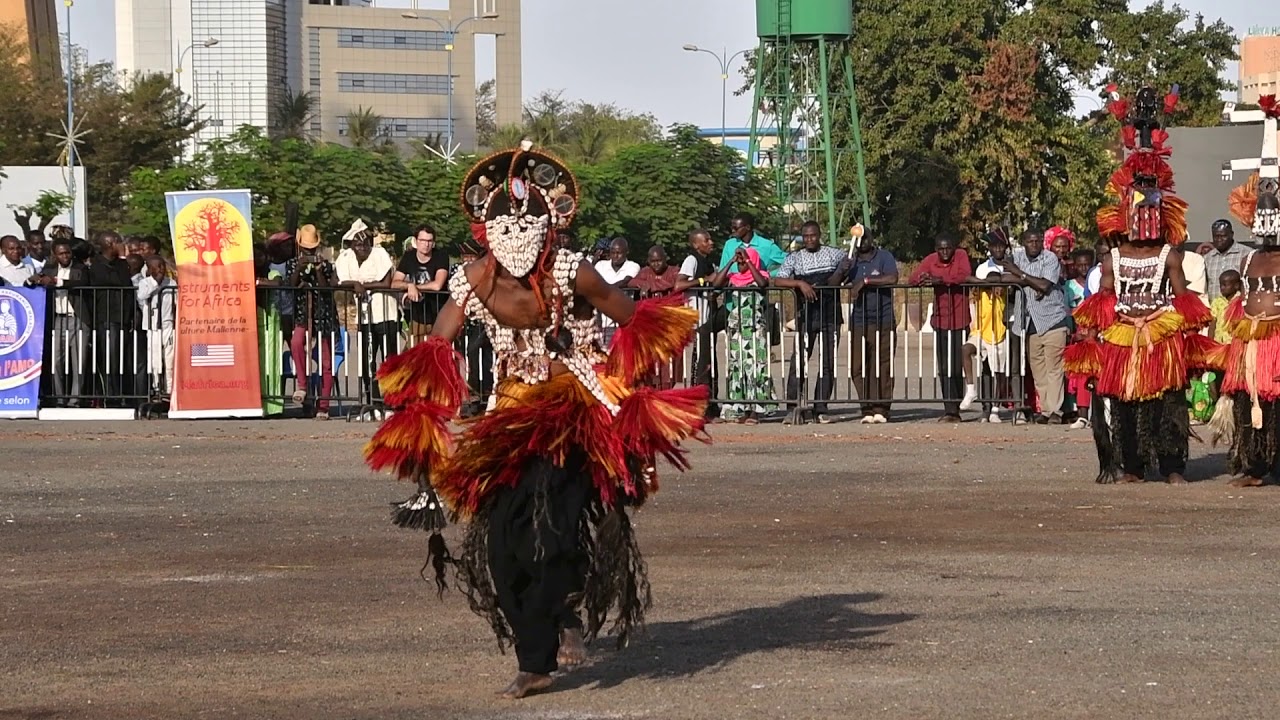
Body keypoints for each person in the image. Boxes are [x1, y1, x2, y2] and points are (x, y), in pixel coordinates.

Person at [363, 141, 706, 699]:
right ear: (485, 228)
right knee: (502, 544)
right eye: (505, 217)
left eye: (528, 217)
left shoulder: (575, 272)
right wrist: (418, 420)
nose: (517, 227)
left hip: (577, 410)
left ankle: (546, 640)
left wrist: (633, 395)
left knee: (552, 528)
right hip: (510, 414)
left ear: (550, 224)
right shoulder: (473, 281)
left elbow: (638, 323)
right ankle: (539, 644)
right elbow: (435, 347)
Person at [1065, 86, 1218, 484]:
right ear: (1127, 211)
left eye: (1153, 204)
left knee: (1168, 402)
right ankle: (1131, 464)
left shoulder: (1170, 254)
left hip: (1160, 333)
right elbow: (1103, 301)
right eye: (1139, 205)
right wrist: (1089, 342)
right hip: (1121, 336)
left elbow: (1184, 300)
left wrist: (1194, 348)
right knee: (1126, 402)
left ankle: (1171, 466)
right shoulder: (1111, 258)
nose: (1146, 213)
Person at [1209, 164, 1280, 486]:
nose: (1267, 228)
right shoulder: (1247, 259)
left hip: (1277, 342)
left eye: (1273, 220)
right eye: (1262, 221)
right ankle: (1254, 467)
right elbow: (1242, 298)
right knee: (1248, 403)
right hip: (1249, 342)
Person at [772, 220, 846, 424]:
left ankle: (820, 408)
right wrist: (799, 283)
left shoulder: (833, 253)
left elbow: (850, 260)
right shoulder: (795, 258)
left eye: (813, 235)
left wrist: (840, 273)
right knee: (799, 362)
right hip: (805, 317)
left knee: (827, 363)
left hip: (830, 316)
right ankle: (793, 407)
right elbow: (778, 279)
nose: (809, 239)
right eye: (805, 236)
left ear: (819, 235)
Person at [1002, 229, 1071, 425]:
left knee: (1054, 368)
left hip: (1052, 320)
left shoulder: (1050, 258)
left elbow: (1045, 286)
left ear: (1042, 242)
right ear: (1023, 242)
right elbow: (1005, 278)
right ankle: (1046, 410)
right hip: (1029, 322)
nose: (1034, 244)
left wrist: (1021, 275)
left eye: (1037, 241)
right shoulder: (1016, 256)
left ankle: (1056, 410)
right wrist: (1029, 280)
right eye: (1030, 241)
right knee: (1039, 369)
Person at [336, 220, 398, 407]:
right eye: (357, 243)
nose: (361, 246)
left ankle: (391, 399)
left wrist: (363, 286)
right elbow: (336, 281)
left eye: (364, 242)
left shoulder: (380, 254)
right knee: (367, 359)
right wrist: (355, 285)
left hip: (386, 313)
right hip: (365, 316)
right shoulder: (346, 257)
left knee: (389, 357)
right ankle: (373, 399)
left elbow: (386, 282)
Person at [840, 225, 898, 423]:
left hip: (883, 318)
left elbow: (892, 278)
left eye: (865, 238)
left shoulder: (884, 257)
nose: (861, 242)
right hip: (859, 319)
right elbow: (835, 282)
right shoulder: (851, 260)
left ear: (871, 239)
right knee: (857, 366)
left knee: (881, 365)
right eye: (858, 239)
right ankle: (866, 406)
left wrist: (865, 281)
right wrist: (843, 270)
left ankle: (881, 407)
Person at [911, 234, 972, 422]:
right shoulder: (931, 259)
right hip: (940, 320)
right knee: (944, 366)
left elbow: (964, 275)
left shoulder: (961, 255)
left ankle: (957, 405)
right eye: (941, 249)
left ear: (954, 247)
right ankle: (950, 409)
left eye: (948, 248)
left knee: (956, 366)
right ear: (936, 248)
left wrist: (941, 279)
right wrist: (923, 278)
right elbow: (912, 279)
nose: (944, 252)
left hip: (960, 319)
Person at [712, 244, 774, 424]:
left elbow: (762, 285)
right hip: (736, 330)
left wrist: (747, 259)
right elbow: (716, 284)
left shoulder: (761, 275)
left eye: (743, 261)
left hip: (754, 329)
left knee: (755, 368)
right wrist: (732, 261)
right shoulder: (733, 278)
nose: (741, 265)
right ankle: (740, 408)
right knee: (737, 369)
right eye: (739, 262)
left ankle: (755, 410)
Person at [960, 228, 1012, 423]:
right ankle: (972, 390)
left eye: (1001, 246)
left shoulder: (1010, 266)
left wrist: (1000, 283)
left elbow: (1007, 280)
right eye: (994, 246)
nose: (998, 249)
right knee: (967, 350)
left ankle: (995, 409)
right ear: (990, 248)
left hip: (1000, 329)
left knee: (998, 371)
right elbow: (972, 280)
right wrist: (988, 283)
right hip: (981, 328)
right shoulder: (983, 268)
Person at [286, 224, 338, 419]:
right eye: (306, 249)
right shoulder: (293, 263)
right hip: (302, 312)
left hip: (324, 313)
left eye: (312, 248)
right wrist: (299, 270)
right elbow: (290, 286)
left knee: (326, 360)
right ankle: (302, 385)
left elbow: (327, 289)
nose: (309, 252)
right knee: (296, 342)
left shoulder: (326, 265)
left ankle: (323, 405)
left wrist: (317, 270)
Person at [677, 229, 720, 417]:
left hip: (707, 318)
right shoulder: (691, 260)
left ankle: (710, 403)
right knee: (699, 364)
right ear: (696, 244)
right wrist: (704, 280)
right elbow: (679, 285)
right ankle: (696, 405)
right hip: (696, 319)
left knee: (709, 363)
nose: (711, 242)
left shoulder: (708, 261)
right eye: (706, 240)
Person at [628, 245, 682, 388]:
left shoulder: (673, 271)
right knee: (651, 357)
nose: (656, 264)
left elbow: (674, 283)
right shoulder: (645, 272)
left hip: (669, 321)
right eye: (653, 261)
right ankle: (653, 388)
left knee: (669, 358)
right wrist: (643, 283)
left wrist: (652, 285)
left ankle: (668, 388)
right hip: (651, 323)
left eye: (659, 260)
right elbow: (631, 282)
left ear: (666, 259)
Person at [393, 224, 449, 344]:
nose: (426, 244)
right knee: (413, 353)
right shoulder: (409, 257)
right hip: (417, 316)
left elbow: (437, 285)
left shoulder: (441, 256)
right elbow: (394, 283)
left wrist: (415, 287)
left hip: (439, 316)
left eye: (429, 241)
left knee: (440, 352)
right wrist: (409, 286)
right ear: (415, 241)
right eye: (422, 240)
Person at [135, 255, 176, 397]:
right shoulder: (145, 283)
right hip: (152, 327)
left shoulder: (170, 283)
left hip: (167, 324)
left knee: (169, 358)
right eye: (157, 267)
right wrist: (155, 283)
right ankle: (156, 387)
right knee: (155, 358)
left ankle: (169, 389)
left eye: (162, 266)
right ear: (150, 268)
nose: (160, 270)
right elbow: (142, 296)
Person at [253, 245, 285, 416]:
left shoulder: (271, 271)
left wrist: (257, 283)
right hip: (251, 321)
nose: (258, 259)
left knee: (271, 362)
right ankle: (255, 402)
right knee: (255, 363)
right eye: (255, 255)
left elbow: (277, 282)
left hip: (270, 321)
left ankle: (272, 405)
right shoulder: (246, 272)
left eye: (261, 255)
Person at [594, 237, 640, 345]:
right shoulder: (600, 266)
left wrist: (606, 289)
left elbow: (625, 281)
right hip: (603, 322)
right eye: (613, 252)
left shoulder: (633, 266)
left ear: (626, 252)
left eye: (619, 253)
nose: (615, 256)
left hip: (624, 321)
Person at [1199, 219, 1254, 303]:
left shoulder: (1247, 254)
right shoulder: (1207, 259)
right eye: (1216, 236)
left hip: (1238, 310)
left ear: (1232, 234)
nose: (1219, 239)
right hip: (1214, 310)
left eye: (1223, 236)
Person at [721, 212, 786, 272]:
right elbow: (722, 269)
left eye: (736, 228)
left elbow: (790, 262)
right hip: (733, 283)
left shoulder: (767, 246)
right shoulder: (729, 245)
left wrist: (770, 275)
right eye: (731, 228)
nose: (732, 230)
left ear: (748, 227)